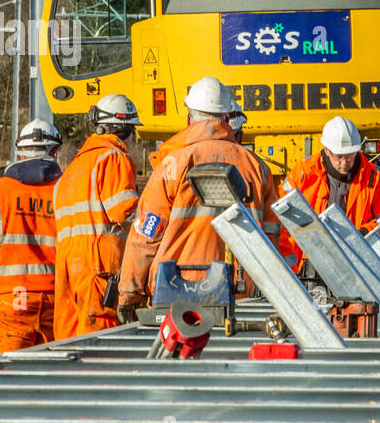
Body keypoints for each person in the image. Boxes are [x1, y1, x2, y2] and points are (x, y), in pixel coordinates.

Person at [116, 76, 281, 318]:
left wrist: (130, 293)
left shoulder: (172, 165)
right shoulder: (257, 167)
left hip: (176, 289)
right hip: (238, 295)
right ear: (227, 118)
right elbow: (271, 235)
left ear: (188, 119)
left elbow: (147, 233)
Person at [0, 120, 63, 354]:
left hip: (10, 298)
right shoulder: (67, 190)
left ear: (19, 153)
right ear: (55, 153)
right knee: (54, 375)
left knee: (5, 376)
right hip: (57, 298)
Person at [53, 95, 141, 341]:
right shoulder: (113, 158)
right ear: (125, 130)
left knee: (69, 338)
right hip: (97, 264)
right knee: (99, 337)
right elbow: (125, 213)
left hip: (67, 264)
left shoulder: (71, 170)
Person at [278, 116, 380, 273]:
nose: (344, 162)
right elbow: (280, 215)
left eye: (349, 156)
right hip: (308, 266)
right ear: (327, 150)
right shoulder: (303, 173)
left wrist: (361, 235)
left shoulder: (375, 179)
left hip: (357, 265)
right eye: (339, 156)